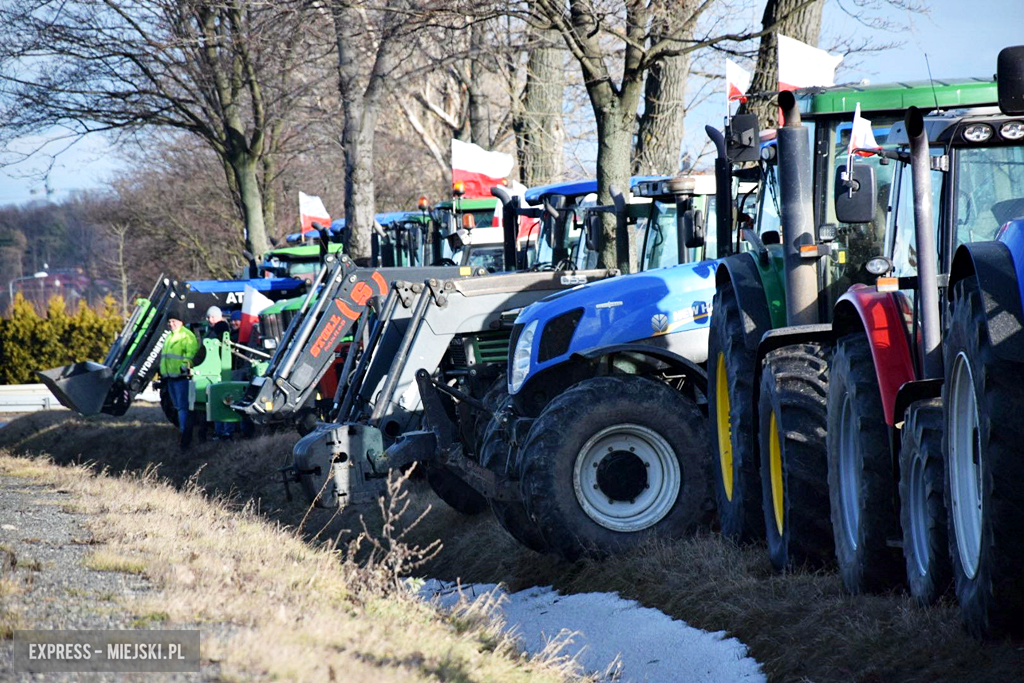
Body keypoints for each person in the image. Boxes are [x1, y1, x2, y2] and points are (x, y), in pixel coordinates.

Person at [160, 305, 199, 450]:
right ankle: (182, 432)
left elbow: (191, 354)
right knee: (178, 406)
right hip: (170, 377)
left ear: (181, 322)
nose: (171, 324)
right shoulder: (169, 337)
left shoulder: (187, 336)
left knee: (183, 407)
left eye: (174, 321)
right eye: (169, 322)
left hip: (181, 377)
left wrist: (184, 366)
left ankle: (184, 434)